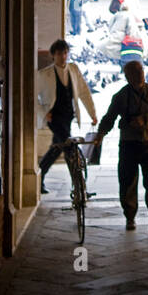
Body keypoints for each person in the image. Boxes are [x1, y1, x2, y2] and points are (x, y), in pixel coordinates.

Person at [95, 60, 148, 233]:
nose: (140, 74)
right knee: (127, 181)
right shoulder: (121, 96)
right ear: (127, 77)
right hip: (129, 144)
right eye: (135, 72)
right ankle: (130, 216)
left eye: (141, 70)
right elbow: (109, 117)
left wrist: (145, 119)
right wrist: (100, 134)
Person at [35, 39, 97, 194]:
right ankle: (80, 188)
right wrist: (44, 113)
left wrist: (92, 114)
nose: (62, 57)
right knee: (70, 148)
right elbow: (32, 96)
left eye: (64, 53)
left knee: (56, 149)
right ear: (53, 56)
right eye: (58, 54)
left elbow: (84, 92)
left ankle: (40, 178)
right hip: (54, 118)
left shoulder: (73, 70)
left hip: (68, 116)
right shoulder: (44, 74)